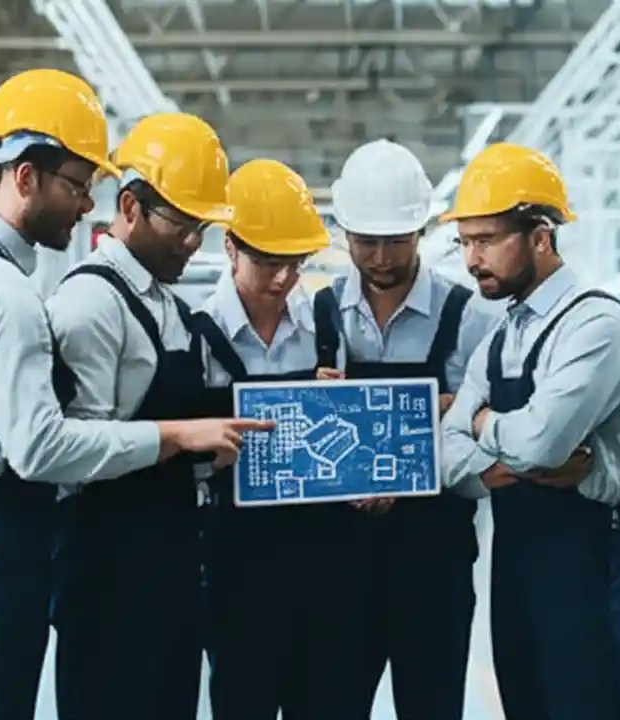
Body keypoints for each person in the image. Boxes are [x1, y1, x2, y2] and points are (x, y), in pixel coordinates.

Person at [0, 72, 270, 720]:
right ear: (26, 176)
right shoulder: (10, 296)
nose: (87, 203)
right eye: (77, 185)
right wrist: (176, 436)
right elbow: (40, 446)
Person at [45, 112, 264, 719]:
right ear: (131, 206)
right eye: (182, 225)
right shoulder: (91, 302)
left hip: (168, 564)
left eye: (202, 227)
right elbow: (72, 452)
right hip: (107, 571)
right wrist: (177, 438)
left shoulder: (165, 301)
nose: (193, 242)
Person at [439, 142, 620, 720]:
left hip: (582, 556)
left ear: (539, 237)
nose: (471, 258)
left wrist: (481, 423)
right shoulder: (505, 333)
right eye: (465, 242)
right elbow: (451, 462)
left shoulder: (596, 324)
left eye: (485, 241)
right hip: (517, 556)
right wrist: (507, 453)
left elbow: (543, 442)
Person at [313, 138, 499, 719]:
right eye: (366, 241)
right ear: (344, 232)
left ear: (421, 231)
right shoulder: (317, 314)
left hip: (433, 559)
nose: (382, 258)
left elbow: (485, 431)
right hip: (338, 562)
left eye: (396, 240)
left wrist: (451, 414)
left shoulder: (468, 316)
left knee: (432, 705)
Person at [192, 158, 370, 719]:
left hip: (327, 564)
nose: (282, 280)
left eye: (294, 264)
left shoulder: (323, 328)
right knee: (243, 699)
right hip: (237, 565)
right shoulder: (195, 333)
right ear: (229, 246)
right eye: (268, 263)